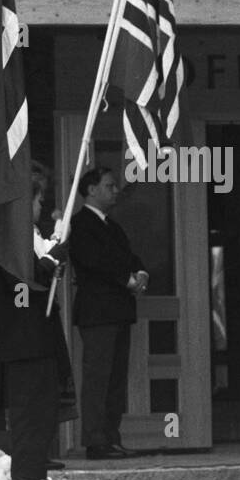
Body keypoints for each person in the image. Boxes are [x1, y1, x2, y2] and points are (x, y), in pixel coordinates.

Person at [0, 179, 71, 480]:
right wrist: (49, 264)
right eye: (38, 201)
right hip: (22, 341)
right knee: (28, 408)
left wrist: (53, 257)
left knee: (43, 404)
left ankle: (35, 463)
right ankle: (26, 475)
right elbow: (20, 290)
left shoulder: (32, 237)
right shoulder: (9, 240)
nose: (42, 206)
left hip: (37, 337)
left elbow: (41, 269)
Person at [69, 166, 147, 459]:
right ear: (91, 190)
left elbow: (129, 256)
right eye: (109, 185)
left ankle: (111, 437)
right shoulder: (79, 225)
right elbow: (94, 261)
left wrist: (140, 272)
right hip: (97, 313)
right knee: (98, 379)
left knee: (115, 380)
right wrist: (126, 279)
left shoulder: (112, 226)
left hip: (118, 311)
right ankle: (95, 441)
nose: (115, 191)